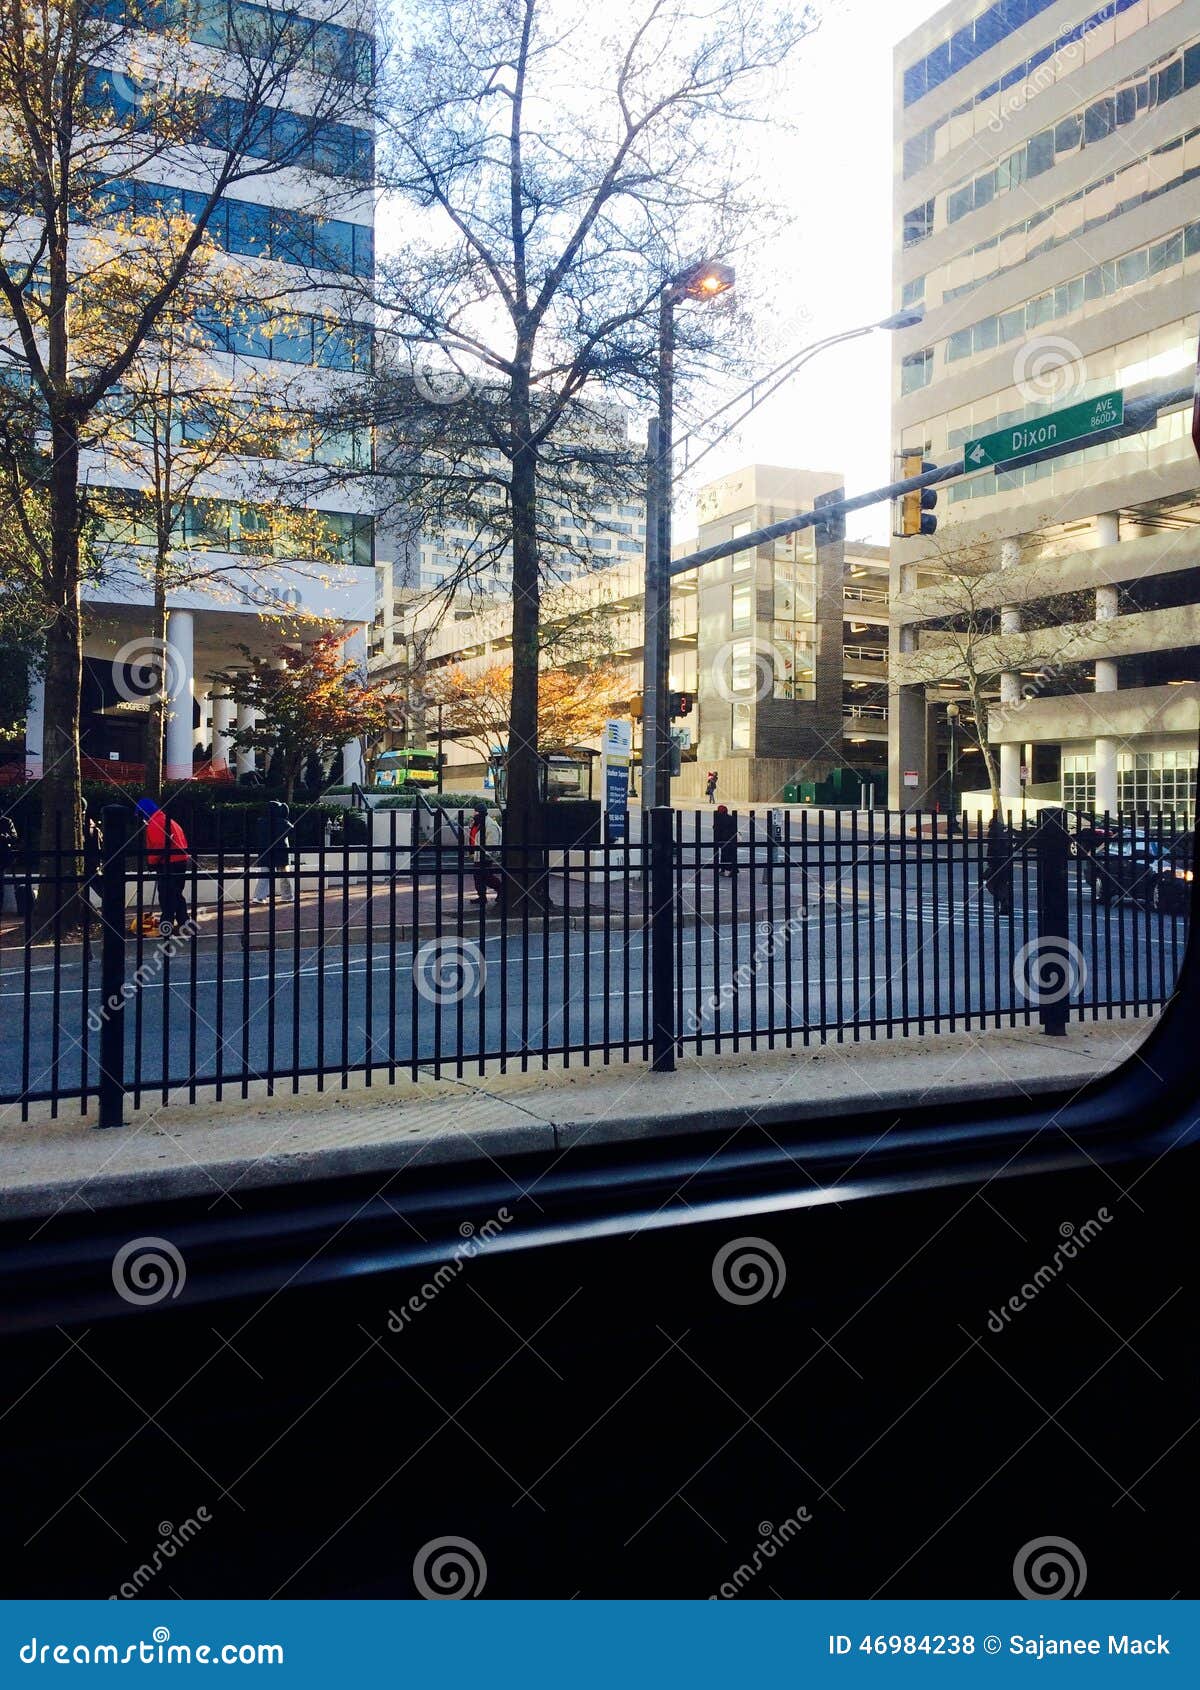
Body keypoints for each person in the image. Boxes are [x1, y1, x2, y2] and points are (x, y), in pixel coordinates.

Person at [136, 797, 190, 935]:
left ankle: (167, 926)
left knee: (166, 896)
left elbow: (158, 847)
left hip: (168, 863)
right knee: (176, 894)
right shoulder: (169, 821)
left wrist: (152, 863)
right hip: (180, 861)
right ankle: (184, 923)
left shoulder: (154, 824)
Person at [253, 802, 293, 903]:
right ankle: (287, 896)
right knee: (284, 875)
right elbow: (291, 829)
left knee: (265, 874)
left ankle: (259, 896)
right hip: (281, 851)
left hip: (265, 851)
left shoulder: (261, 822)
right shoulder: (283, 823)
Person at [468, 802, 503, 904]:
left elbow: (492, 843)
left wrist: (486, 855)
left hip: (486, 856)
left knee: (486, 876)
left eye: (476, 813)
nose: (474, 816)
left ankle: (501, 889)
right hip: (480, 855)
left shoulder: (490, 825)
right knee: (479, 876)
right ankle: (482, 896)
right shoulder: (481, 823)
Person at [984, 811, 1014, 914]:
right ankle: (1005, 903)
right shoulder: (1004, 835)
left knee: (992, 884)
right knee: (1001, 884)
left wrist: (991, 862)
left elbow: (993, 850)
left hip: (997, 863)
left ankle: (1004, 902)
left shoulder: (993, 834)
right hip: (1005, 863)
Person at [712, 803, 738, 878]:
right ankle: (731, 869)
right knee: (732, 855)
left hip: (723, 839)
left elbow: (716, 829)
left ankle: (724, 869)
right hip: (732, 839)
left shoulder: (719, 819)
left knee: (724, 855)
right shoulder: (731, 818)